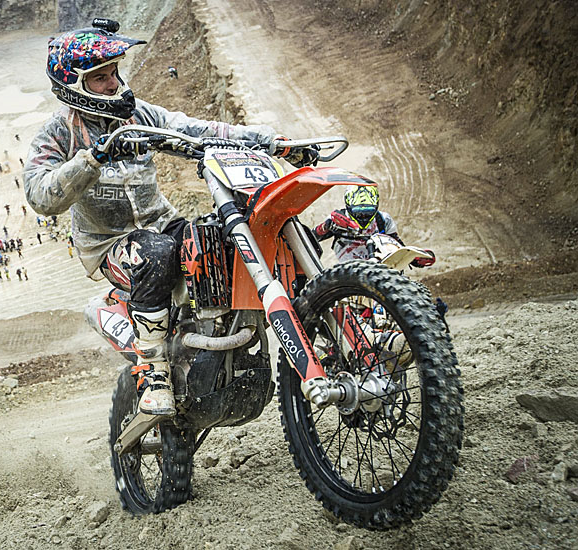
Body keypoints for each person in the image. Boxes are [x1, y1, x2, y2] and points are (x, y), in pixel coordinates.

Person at [24, 21, 319, 416]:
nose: (113, 84)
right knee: (156, 253)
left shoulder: (137, 114)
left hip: (161, 221)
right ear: (74, 85)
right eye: (100, 78)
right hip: (109, 242)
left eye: (114, 72)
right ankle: (154, 372)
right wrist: (92, 159)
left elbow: (193, 129)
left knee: (221, 240)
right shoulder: (57, 133)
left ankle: (227, 334)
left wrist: (272, 142)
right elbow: (40, 194)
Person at [314, 185, 435, 267]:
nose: (363, 216)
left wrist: (413, 258)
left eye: (368, 212)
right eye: (359, 212)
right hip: (349, 271)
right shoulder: (338, 218)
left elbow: (395, 243)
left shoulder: (383, 219)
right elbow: (311, 238)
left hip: (380, 266)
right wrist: (325, 227)